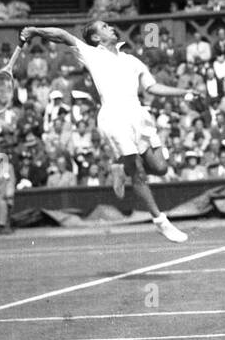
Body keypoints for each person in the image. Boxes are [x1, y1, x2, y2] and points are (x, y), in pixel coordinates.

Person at [21, 21, 195, 243]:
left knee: (160, 168)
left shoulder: (132, 60)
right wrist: (36, 31)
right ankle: (160, 221)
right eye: (103, 27)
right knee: (137, 170)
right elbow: (62, 35)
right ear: (95, 38)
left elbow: (151, 87)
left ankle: (120, 167)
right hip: (113, 116)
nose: (111, 27)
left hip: (138, 115)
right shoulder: (91, 53)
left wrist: (184, 92)